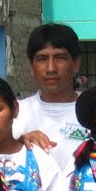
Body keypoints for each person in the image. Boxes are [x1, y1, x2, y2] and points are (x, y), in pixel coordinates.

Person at [13, 23, 89, 174]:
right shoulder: (16, 114)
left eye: (60, 57)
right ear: (31, 66)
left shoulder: (94, 111)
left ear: (76, 63)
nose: (51, 68)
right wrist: (18, 143)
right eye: (42, 59)